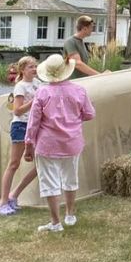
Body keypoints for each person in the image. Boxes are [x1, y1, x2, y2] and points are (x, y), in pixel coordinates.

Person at [24, 54, 95, 233]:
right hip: (72, 142)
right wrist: (74, 118)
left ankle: (55, 222)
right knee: (70, 179)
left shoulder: (42, 92)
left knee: (49, 182)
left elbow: (33, 122)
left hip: (48, 144)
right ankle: (70, 214)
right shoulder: (79, 90)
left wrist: (28, 144)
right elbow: (89, 114)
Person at [0, 56, 40, 216]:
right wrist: (34, 101)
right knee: (14, 164)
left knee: (41, 164)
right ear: (22, 70)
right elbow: (17, 110)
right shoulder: (21, 87)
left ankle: (13, 195)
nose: (34, 69)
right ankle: (3, 203)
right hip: (21, 126)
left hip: (34, 126)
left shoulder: (38, 84)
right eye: (30, 67)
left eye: (35, 66)